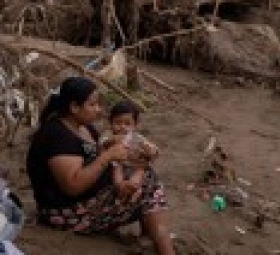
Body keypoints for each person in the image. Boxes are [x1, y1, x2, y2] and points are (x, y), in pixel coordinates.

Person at [25, 77, 174, 254]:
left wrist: (141, 154)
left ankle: (152, 235)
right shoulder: (56, 135)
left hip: (86, 199)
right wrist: (107, 157)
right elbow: (72, 186)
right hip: (66, 213)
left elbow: (107, 154)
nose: (98, 110)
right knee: (148, 183)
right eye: (93, 105)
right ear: (74, 107)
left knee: (142, 173)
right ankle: (163, 245)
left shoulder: (83, 128)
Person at [105, 100, 160, 202]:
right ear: (110, 123)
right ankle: (120, 186)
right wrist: (111, 140)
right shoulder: (108, 135)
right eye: (118, 123)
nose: (122, 127)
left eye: (127, 124)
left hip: (134, 164)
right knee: (116, 168)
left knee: (141, 168)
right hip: (117, 163)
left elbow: (152, 149)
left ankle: (133, 186)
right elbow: (102, 144)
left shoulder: (136, 137)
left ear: (135, 125)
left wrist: (151, 150)